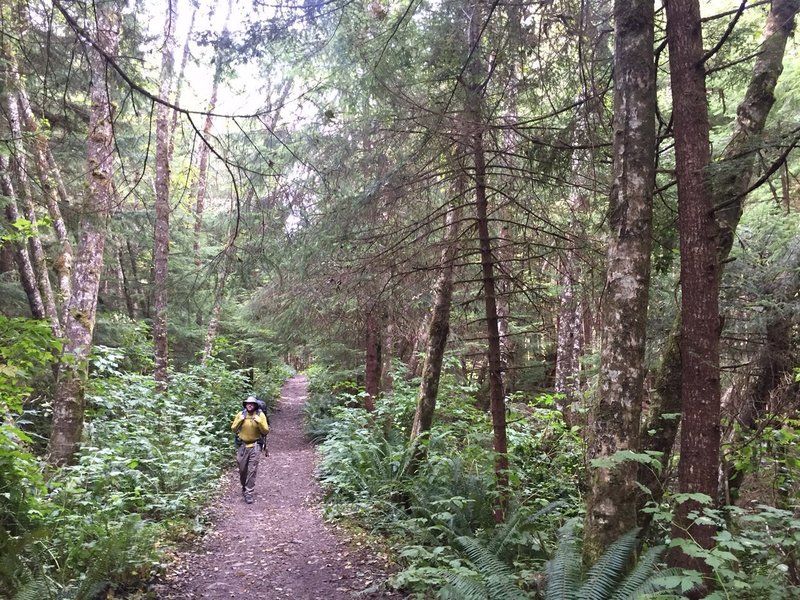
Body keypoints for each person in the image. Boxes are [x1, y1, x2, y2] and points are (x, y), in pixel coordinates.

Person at [231, 395, 269, 504]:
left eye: (252, 404)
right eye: (248, 404)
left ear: (255, 405)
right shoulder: (241, 414)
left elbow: (266, 431)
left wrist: (259, 422)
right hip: (243, 445)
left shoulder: (260, 415)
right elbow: (233, 429)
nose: (250, 405)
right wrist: (240, 421)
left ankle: (249, 493)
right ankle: (244, 487)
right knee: (242, 469)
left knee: (252, 470)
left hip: (255, 445)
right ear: (245, 405)